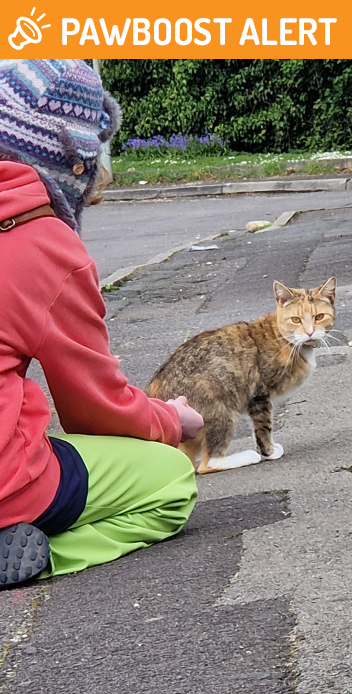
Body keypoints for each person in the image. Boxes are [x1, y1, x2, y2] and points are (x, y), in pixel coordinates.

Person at [0, 59, 204, 589]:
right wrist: (169, 421)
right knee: (171, 483)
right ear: (73, 159)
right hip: (6, 482)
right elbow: (95, 412)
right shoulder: (42, 244)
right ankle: (42, 553)